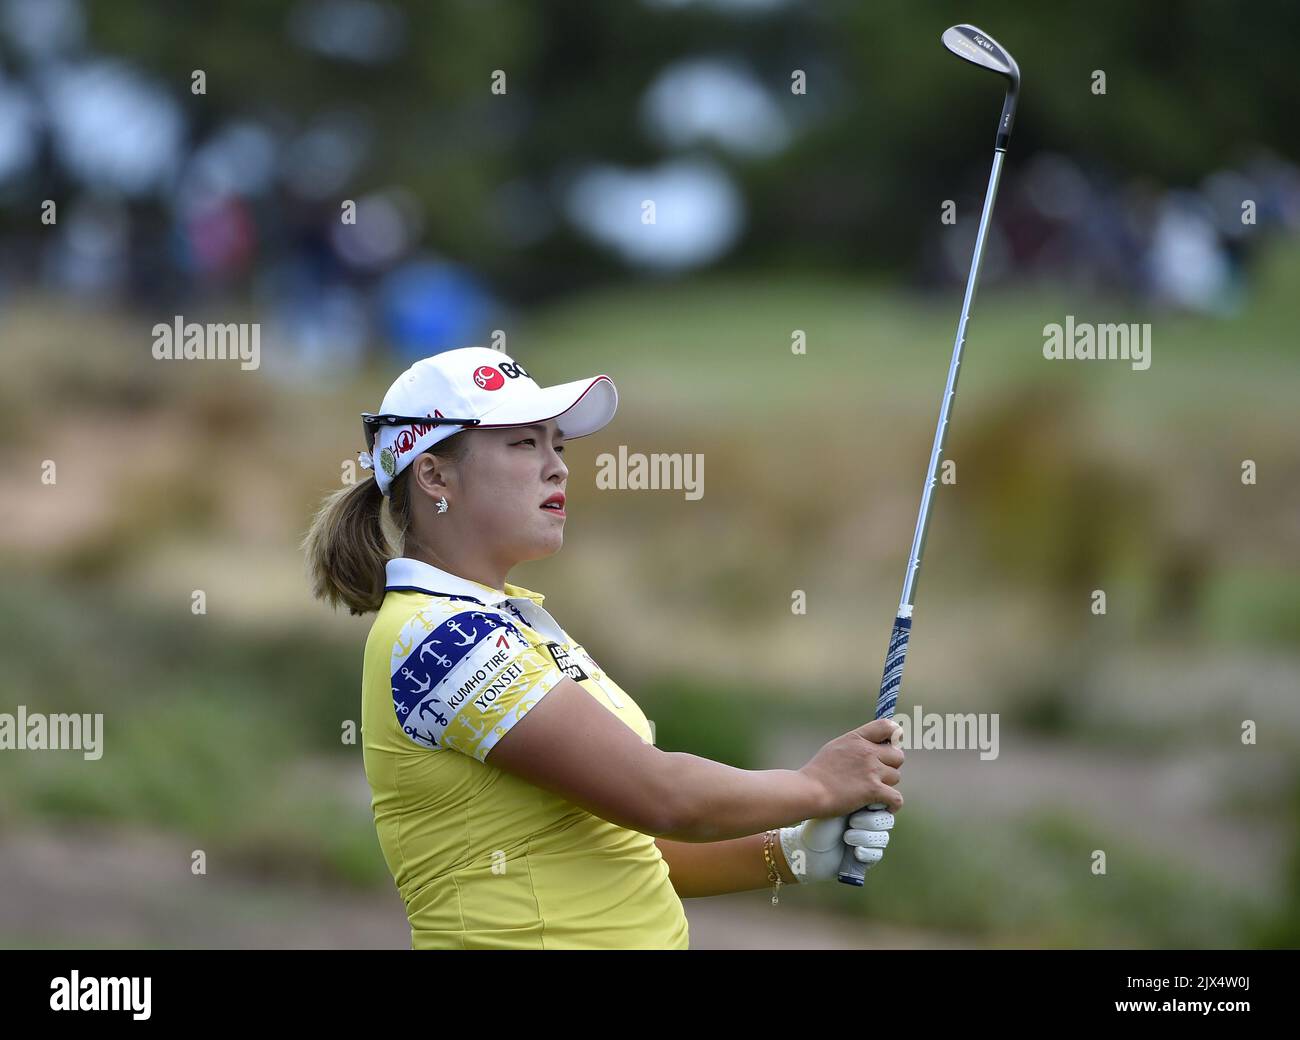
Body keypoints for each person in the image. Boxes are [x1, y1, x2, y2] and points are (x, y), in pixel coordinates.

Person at [303, 345, 904, 950]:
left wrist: (790, 853)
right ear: (433, 474)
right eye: (522, 444)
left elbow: (623, 845)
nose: (557, 468)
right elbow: (661, 794)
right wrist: (816, 786)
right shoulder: (437, 637)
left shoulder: (511, 621)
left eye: (556, 446)